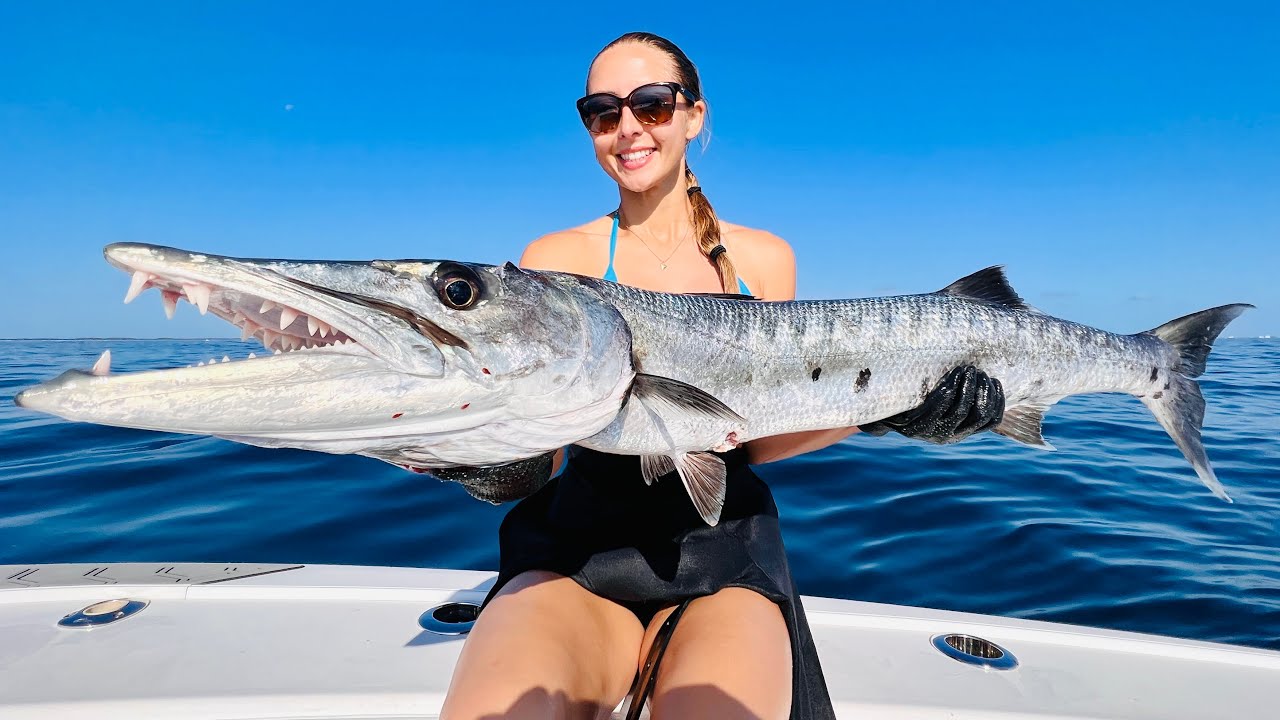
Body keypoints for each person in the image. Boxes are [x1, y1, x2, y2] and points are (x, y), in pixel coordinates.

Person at [442, 32, 1004, 720]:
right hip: (580, 553)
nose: (627, 128)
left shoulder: (764, 259)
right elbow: (542, 456)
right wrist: (469, 455)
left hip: (724, 551)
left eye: (650, 104)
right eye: (602, 110)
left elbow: (761, 437)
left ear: (693, 116)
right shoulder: (554, 257)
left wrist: (884, 412)